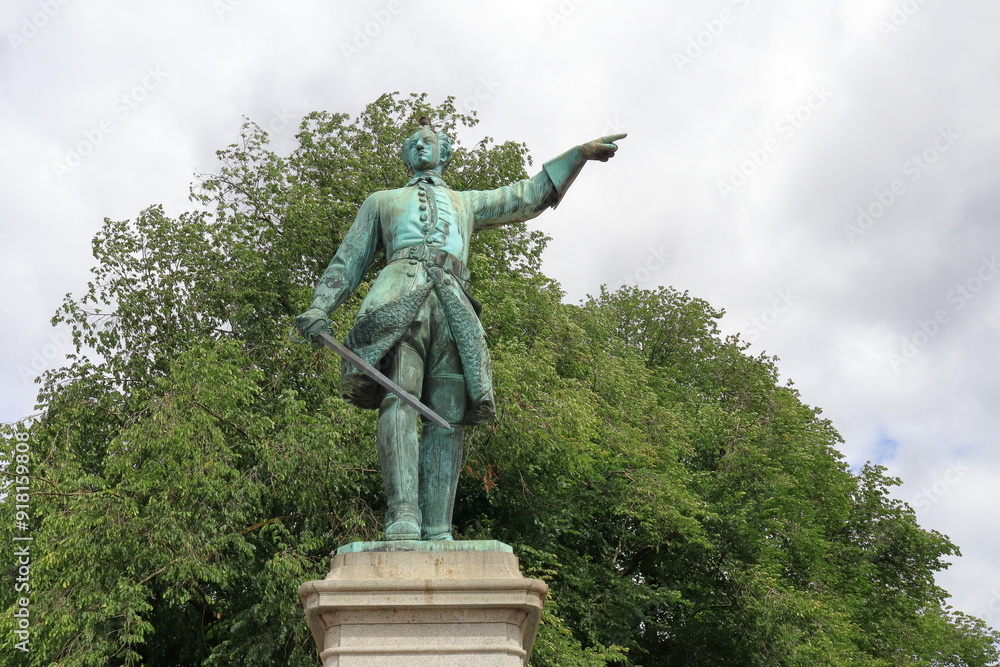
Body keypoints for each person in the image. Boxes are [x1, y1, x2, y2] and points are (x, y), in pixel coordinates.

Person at [295, 118, 624, 541]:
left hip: (452, 302)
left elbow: (526, 196)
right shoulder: (382, 201)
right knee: (401, 398)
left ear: (445, 153)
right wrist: (320, 305)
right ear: (405, 154)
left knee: (448, 414)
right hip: (398, 295)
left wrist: (577, 155)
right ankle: (404, 516)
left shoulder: (466, 202)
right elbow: (350, 258)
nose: (420, 147)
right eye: (412, 143)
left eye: (428, 142)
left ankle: (437, 526)